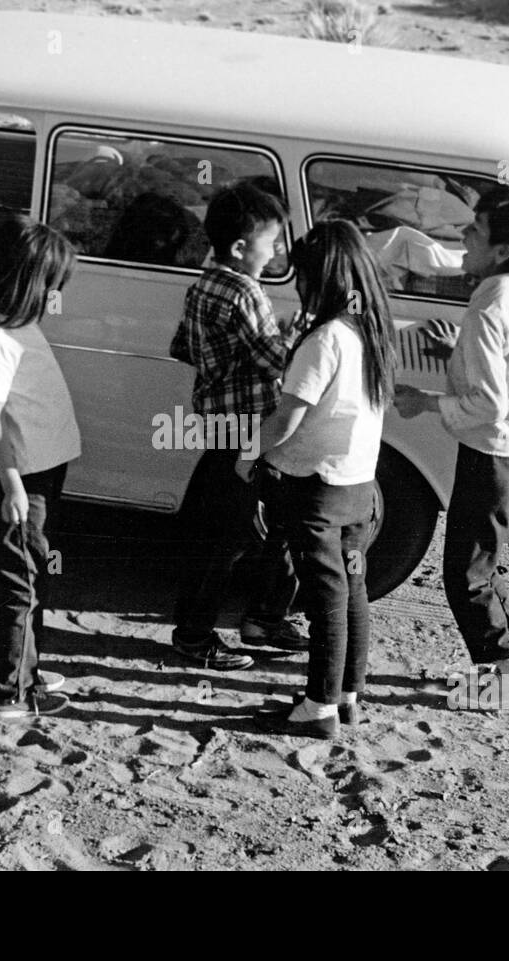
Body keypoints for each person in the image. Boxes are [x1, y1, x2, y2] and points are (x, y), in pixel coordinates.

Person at [394, 185, 509, 711]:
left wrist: (425, 402)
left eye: (475, 230)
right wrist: (458, 351)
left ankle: (508, 677)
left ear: (504, 250)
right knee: (483, 561)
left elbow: (486, 403)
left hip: (490, 450)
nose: (462, 235)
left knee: (463, 574)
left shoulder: (489, 305)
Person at [238, 220, 395, 738]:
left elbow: (288, 419)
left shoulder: (324, 338)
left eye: (302, 275)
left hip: (316, 490)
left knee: (324, 597)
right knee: (351, 590)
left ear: (320, 277)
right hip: (358, 487)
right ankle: (347, 694)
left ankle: (318, 707)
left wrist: (248, 455)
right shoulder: (369, 333)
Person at [168, 181, 305, 671]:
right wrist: (291, 337)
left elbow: (181, 347)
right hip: (247, 428)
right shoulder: (246, 291)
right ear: (242, 247)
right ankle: (194, 637)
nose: (276, 253)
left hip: (218, 421)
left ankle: (265, 616)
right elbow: (275, 363)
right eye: (271, 243)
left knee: (249, 523)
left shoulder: (203, 283)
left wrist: (225, 360)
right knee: (228, 535)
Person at [0, 215, 80, 719]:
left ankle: (24, 668)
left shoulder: (20, 328)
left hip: (41, 471)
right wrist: (11, 483)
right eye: (50, 286)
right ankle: (9, 691)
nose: (55, 297)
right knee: (20, 582)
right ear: (26, 282)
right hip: (22, 478)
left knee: (31, 576)